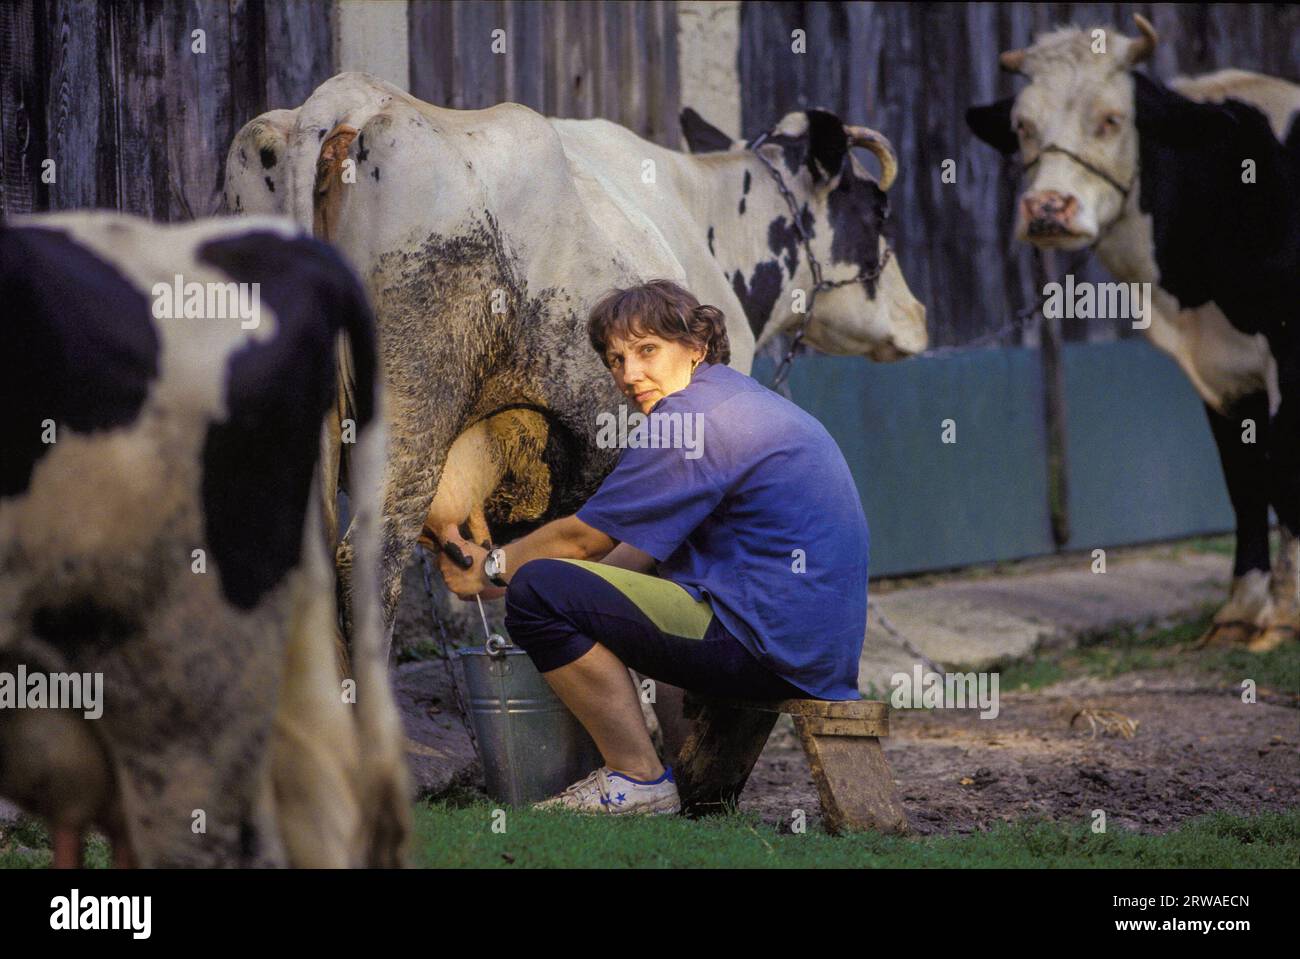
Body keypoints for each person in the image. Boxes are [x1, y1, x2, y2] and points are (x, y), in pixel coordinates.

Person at [436, 279, 870, 815]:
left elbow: (583, 540)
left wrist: (496, 569)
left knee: (538, 591)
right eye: (616, 359)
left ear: (697, 346)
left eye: (647, 351)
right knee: (592, 593)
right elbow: (625, 563)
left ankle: (636, 778)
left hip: (766, 640)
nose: (628, 374)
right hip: (814, 647)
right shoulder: (736, 401)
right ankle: (695, 800)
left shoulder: (690, 420)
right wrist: (569, 591)